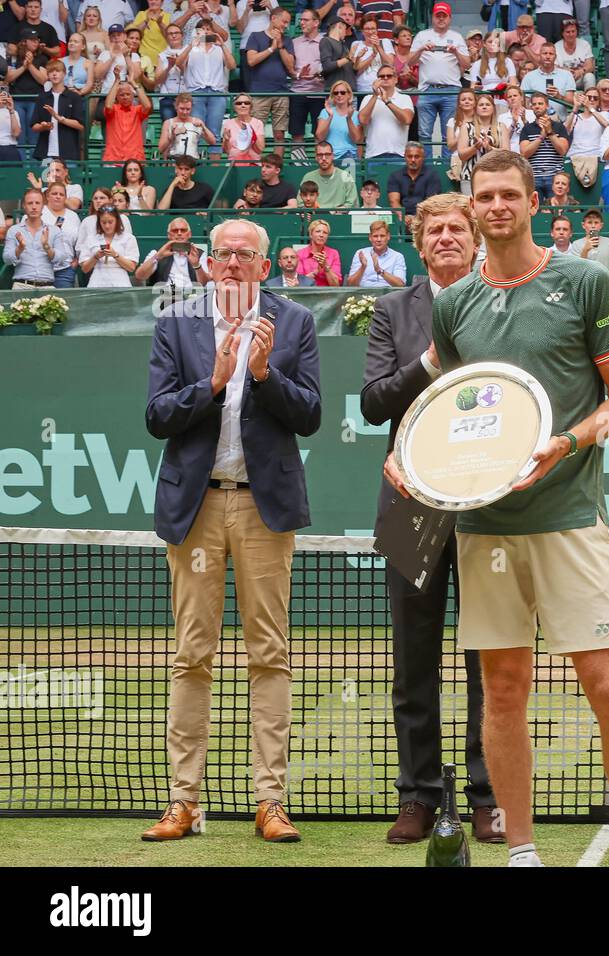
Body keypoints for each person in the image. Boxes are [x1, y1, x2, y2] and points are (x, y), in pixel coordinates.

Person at [387, 149, 609, 868]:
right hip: (482, 530)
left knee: (608, 683)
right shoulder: (453, 303)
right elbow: (445, 405)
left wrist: (569, 441)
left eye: (510, 194)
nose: (497, 205)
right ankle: (523, 851)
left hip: (570, 520)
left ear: (535, 203)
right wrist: (407, 454)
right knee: (502, 691)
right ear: (471, 208)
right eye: (485, 195)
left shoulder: (586, 282)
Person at [142, 217, 321, 845]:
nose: (233, 263)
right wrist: (213, 383)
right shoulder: (177, 323)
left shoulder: (294, 323)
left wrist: (266, 374)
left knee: (269, 655)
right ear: (208, 263)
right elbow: (158, 416)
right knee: (192, 656)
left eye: (246, 255)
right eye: (222, 254)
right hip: (195, 511)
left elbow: (312, 415)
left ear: (265, 267)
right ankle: (182, 802)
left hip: (262, 509)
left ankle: (270, 800)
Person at [359, 193, 502, 843]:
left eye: (456, 228)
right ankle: (417, 795)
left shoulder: (502, 300)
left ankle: (487, 795)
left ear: (476, 238)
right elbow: (372, 403)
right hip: (411, 504)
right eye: (434, 229)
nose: (446, 237)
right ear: (418, 244)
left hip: (488, 503)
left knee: (489, 662)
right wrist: (427, 365)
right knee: (413, 662)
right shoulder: (392, 311)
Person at [411, 1, 469, 159]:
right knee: (424, 134)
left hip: (451, 90)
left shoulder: (456, 37)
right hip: (427, 89)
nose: (441, 19)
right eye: (438, 15)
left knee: (449, 133)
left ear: (450, 18)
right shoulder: (422, 36)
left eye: (444, 16)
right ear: (432, 17)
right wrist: (422, 48)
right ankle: (427, 167)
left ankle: (446, 166)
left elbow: (467, 64)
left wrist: (456, 52)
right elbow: (409, 61)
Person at [244, 6, 295, 157]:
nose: (286, 25)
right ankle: (253, 165)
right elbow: (251, 61)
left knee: (280, 135)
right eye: (284, 22)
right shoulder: (255, 36)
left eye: (288, 23)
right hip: (260, 92)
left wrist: (279, 46)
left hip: (281, 91)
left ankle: (277, 166)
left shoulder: (287, 40)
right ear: (273, 18)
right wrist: (271, 49)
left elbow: (291, 66)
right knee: (255, 134)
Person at [179, 20, 235, 153]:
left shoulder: (219, 49)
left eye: (208, 29)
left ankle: (214, 169)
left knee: (215, 132)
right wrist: (191, 45)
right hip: (196, 92)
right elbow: (178, 63)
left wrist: (223, 45)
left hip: (217, 93)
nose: (205, 31)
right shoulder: (192, 48)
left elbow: (232, 66)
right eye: (202, 29)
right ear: (197, 32)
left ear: (213, 31)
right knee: (195, 131)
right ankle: (194, 167)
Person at [4, 188, 70, 290]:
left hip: (47, 286)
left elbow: (62, 258)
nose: (34, 207)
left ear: (43, 206)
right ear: (24, 206)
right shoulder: (14, 230)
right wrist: (20, 248)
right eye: (30, 203)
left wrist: (47, 246)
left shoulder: (54, 230)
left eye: (37, 203)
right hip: (21, 285)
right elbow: (6, 259)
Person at [30, 58, 86, 166]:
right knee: (47, 182)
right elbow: (34, 126)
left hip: (68, 154)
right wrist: (43, 126)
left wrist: (60, 119)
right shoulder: (42, 98)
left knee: (68, 182)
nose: (54, 74)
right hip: (46, 154)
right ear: (48, 75)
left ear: (64, 74)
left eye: (58, 71)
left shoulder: (74, 97)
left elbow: (81, 126)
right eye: (51, 71)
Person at [288, 8, 325, 161]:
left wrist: (319, 74)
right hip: (297, 92)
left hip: (319, 93)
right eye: (301, 20)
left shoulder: (325, 42)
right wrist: (298, 74)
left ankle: (320, 164)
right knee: (297, 132)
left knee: (320, 133)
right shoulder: (294, 42)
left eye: (306, 20)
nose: (301, 22)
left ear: (316, 22)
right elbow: (288, 69)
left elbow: (330, 65)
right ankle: (298, 164)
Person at [358, 61, 414, 163]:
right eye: (381, 76)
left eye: (389, 76)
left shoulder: (405, 98)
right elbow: (362, 120)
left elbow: (407, 119)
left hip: (398, 154)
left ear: (396, 79)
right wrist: (375, 96)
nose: (385, 78)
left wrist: (387, 102)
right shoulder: (368, 98)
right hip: (373, 155)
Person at [518, 92, 570, 202]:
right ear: (531, 107)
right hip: (534, 176)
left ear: (547, 105)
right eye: (534, 104)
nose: (537, 106)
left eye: (540, 103)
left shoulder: (559, 127)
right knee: (535, 212)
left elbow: (562, 151)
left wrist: (550, 133)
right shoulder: (527, 128)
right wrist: (541, 137)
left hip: (555, 177)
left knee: (555, 211)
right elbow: (524, 153)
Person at [135, 215, 209, 290]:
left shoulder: (199, 254)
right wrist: (157, 257)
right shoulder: (157, 253)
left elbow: (203, 283)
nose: (179, 233)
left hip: (192, 297)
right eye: (175, 230)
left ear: (189, 234)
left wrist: (196, 265)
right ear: (169, 235)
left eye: (183, 230)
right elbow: (140, 276)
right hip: (164, 296)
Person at [77, 205, 139, 287]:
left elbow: (131, 267)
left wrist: (115, 255)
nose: (107, 226)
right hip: (97, 283)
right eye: (103, 222)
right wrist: (96, 256)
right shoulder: (91, 239)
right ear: (99, 222)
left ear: (117, 221)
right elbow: (85, 269)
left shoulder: (129, 238)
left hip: (121, 284)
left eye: (110, 222)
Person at [101, 74, 153, 162]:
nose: (125, 97)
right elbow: (108, 105)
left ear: (133, 96)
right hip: (113, 158)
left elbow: (147, 106)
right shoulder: (113, 110)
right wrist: (116, 82)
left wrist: (134, 84)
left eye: (128, 94)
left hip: (135, 158)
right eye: (122, 95)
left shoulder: (137, 110)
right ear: (116, 97)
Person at [388, 141, 438, 222]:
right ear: (404, 157)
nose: (413, 160)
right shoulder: (395, 176)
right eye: (410, 156)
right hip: (402, 218)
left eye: (417, 157)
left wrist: (417, 219)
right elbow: (394, 201)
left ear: (423, 157)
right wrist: (403, 217)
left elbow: (431, 202)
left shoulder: (432, 175)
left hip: (424, 218)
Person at [158, 91, 218, 159]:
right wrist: (172, 136)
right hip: (174, 160)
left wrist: (204, 128)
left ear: (192, 108)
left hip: (192, 161)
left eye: (188, 109)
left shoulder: (197, 122)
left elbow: (213, 142)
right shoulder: (168, 123)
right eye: (182, 108)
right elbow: (161, 148)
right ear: (176, 106)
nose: (185, 112)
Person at [346, 220, 405, 287]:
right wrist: (363, 267)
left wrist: (379, 270)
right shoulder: (361, 253)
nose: (379, 239)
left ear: (388, 236)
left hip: (388, 295)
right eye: (375, 236)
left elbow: (400, 285)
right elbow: (350, 285)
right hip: (364, 294)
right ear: (370, 237)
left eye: (382, 236)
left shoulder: (397, 256)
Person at [301, 140, 358, 208]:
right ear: (316, 157)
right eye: (320, 155)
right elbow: (300, 203)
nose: (324, 158)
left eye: (327, 154)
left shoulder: (346, 176)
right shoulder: (308, 177)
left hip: (339, 216)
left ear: (332, 156)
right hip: (314, 216)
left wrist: (341, 210)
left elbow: (352, 203)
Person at [576, 207, 609, 284]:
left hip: (607, 284)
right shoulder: (576, 244)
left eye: (596, 222)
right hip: (586, 285)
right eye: (589, 222)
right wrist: (585, 250)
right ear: (583, 225)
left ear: (601, 225)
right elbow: (577, 270)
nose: (593, 226)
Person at [221, 92, 265, 165]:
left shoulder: (258, 123)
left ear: (251, 106)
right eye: (239, 103)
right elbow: (227, 151)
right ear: (234, 107)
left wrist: (252, 134)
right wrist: (226, 140)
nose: (243, 105)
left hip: (253, 163)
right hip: (233, 163)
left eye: (246, 103)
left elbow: (260, 150)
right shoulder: (228, 124)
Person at [298, 217, 342, 285]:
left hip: (327, 294)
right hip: (306, 293)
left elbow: (336, 285)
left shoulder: (333, 253)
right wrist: (316, 272)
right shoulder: (300, 254)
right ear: (310, 234)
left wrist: (325, 266)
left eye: (325, 233)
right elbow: (299, 284)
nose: (321, 235)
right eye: (318, 231)